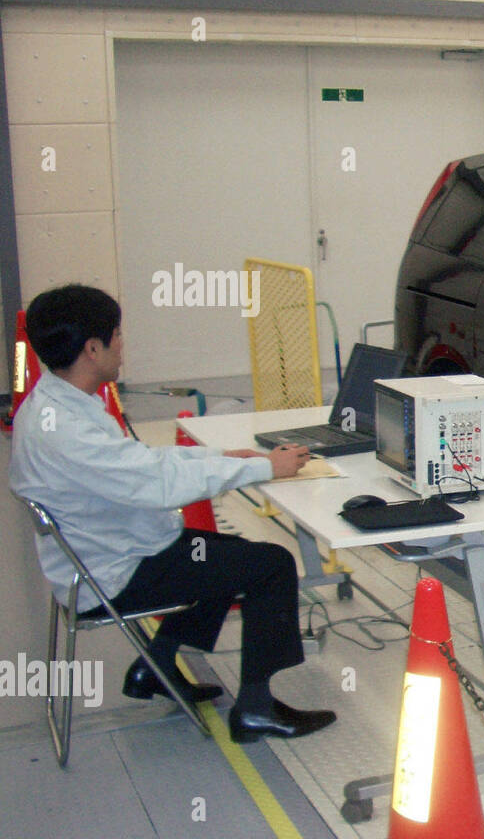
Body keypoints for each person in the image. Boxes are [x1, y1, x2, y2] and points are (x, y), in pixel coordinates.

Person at [9, 284, 335, 742]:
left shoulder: (57, 403)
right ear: (93, 347)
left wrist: (227, 458)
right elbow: (158, 485)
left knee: (223, 553)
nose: (123, 345)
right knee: (270, 565)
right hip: (116, 573)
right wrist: (262, 467)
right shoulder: (66, 431)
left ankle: (155, 667)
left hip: (109, 552)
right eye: (118, 335)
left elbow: (143, 465)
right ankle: (257, 709)